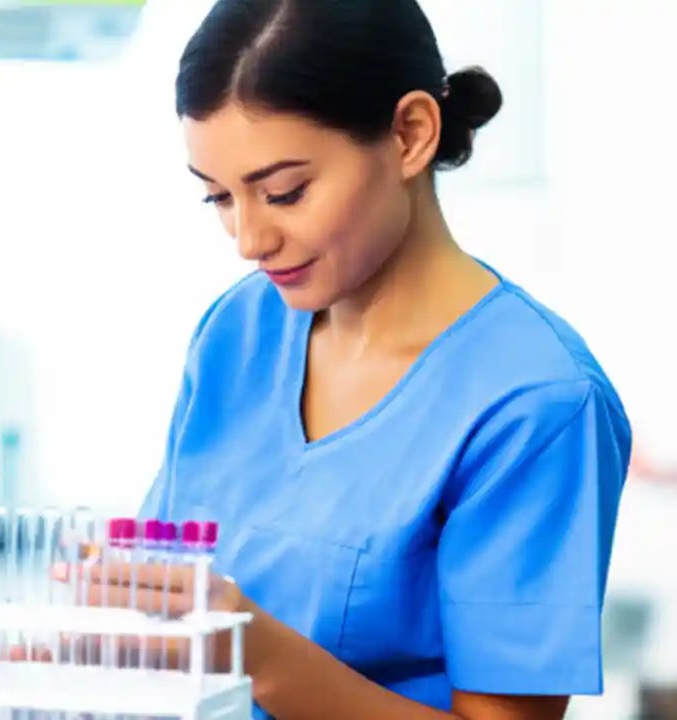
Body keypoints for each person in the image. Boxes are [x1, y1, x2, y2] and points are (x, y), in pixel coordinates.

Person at [66, 1, 633, 718]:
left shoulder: (534, 403)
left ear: (410, 134)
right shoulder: (239, 331)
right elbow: (162, 611)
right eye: (218, 198)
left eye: (284, 193)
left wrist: (259, 657)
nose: (249, 240)